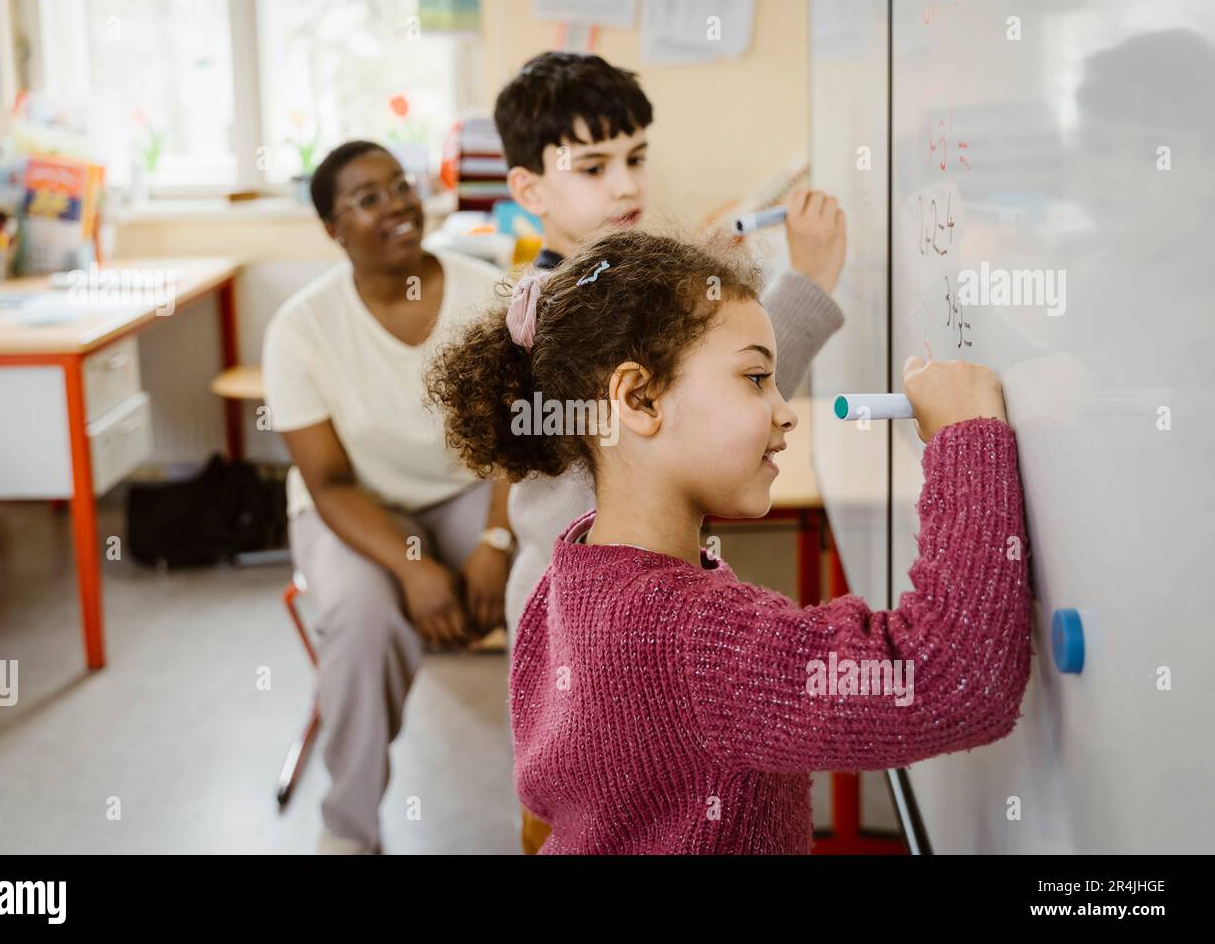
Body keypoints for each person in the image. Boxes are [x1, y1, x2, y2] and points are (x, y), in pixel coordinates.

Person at [425, 230, 1032, 854]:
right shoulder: (689, 638)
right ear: (638, 399)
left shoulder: (566, 578)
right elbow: (952, 678)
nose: (784, 410)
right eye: (754, 377)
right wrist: (967, 438)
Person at [262, 141, 512, 854]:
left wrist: (496, 542)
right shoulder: (301, 330)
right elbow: (330, 483)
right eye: (368, 198)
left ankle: (569, 808)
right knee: (362, 616)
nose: (397, 204)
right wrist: (413, 568)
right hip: (359, 510)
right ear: (332, 230)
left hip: (473, 490)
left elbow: (515, 442)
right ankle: (349, 830)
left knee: (545, 590)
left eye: (400, 186)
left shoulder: (488, 291)